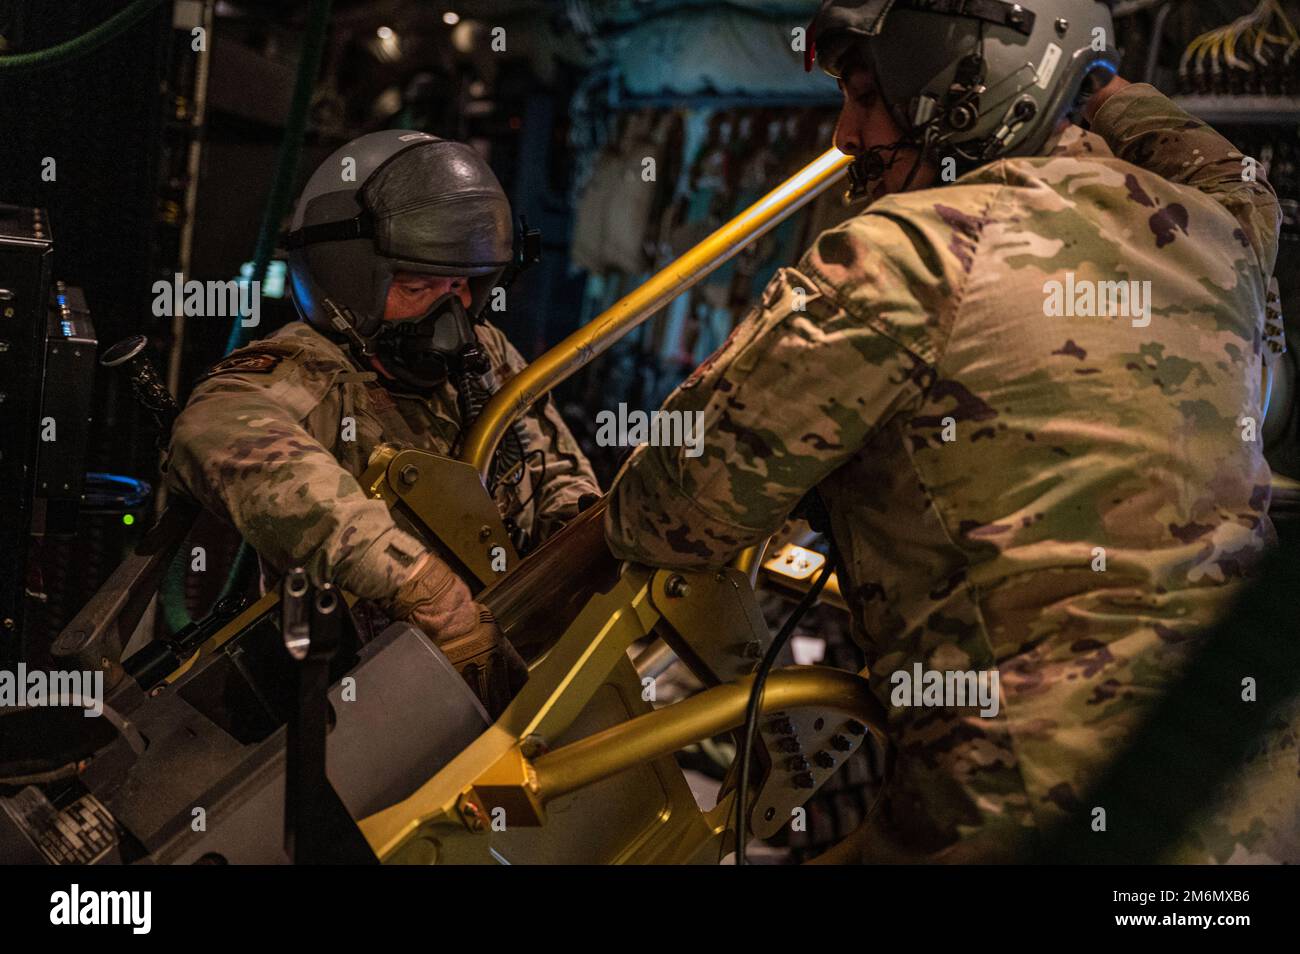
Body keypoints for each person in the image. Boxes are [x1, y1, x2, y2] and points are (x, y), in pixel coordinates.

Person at [604, 0, 1295, 862]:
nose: (844, 138)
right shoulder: (1216, 235)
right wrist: (1096, 85)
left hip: (1028, 805)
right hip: (1251, 792)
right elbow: (1238, 177)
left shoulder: (902, 255)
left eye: (865, 97)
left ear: (959, 94)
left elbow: (666, 515)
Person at [166, 130, 598, 658]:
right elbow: (212, 426)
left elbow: (552, 469)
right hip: (363, 691)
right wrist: (411, 578)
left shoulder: (488, 355)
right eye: (417, 288)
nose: (451, 316)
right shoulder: (314, 369)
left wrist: (589, 541)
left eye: (461, 287)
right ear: (349, 283)